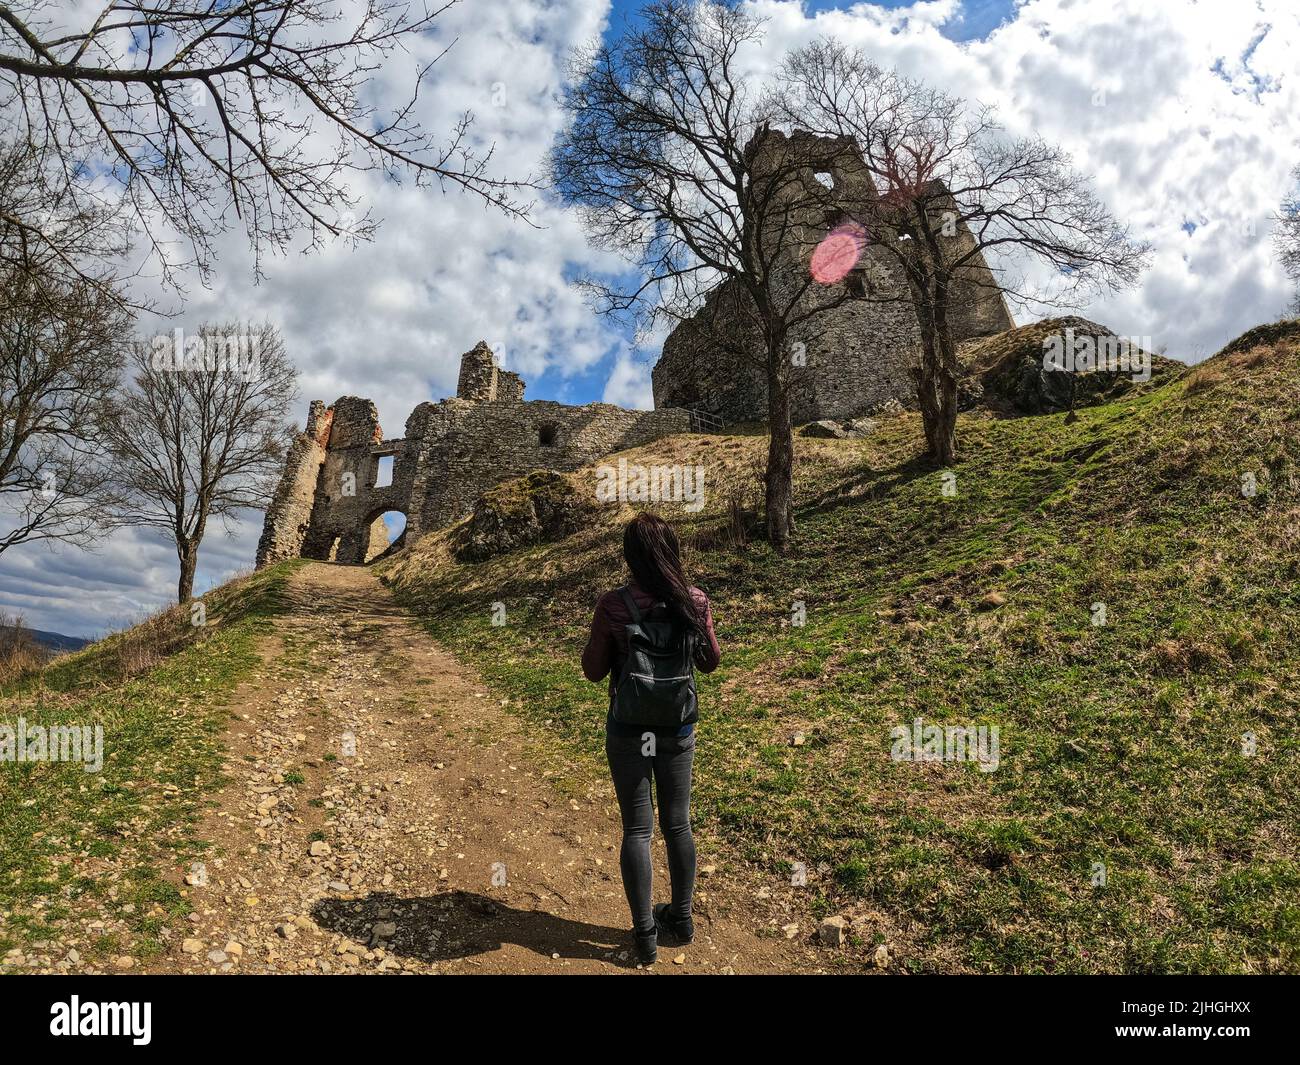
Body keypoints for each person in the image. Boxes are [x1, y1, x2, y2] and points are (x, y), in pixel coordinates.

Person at [581, 513, 721, 966]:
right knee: (677, 823)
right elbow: (711, 662)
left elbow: (593, 670)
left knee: (637, 829)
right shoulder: (694, 600)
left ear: (629, 557)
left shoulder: (613, 605)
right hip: (677, 726)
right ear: (673, 551)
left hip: (629, 729)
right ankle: (680, 920)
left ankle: (645, 935)